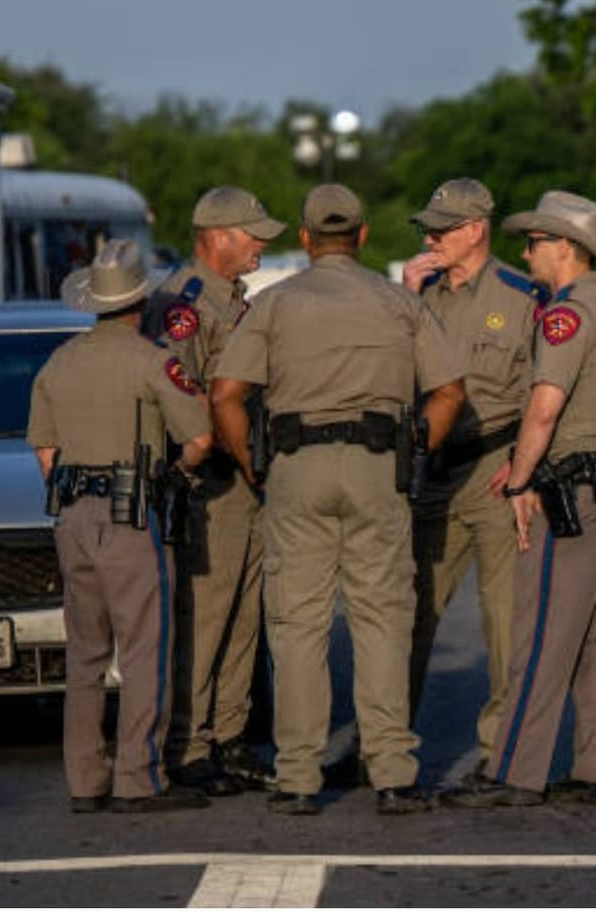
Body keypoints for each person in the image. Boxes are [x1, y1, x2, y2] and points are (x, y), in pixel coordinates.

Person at [210, 183, 465, 816]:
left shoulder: (275, 304)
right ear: (362, 235)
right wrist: (415, 449)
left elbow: (225, 395)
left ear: (304, 239)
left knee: (297, 626)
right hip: (380, 466)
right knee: (382, 620)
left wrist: (255, 467)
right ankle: (393, 775)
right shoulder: (397, 304)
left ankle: (298, 776)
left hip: (296, 468)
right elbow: (451, 391)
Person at [442, 190, 596, 808]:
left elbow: (544, 407)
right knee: (594, 635)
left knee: (540, 636)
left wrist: (522, 478)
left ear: (565, 248)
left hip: (575, 488)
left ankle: (512, 772)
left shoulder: (568, 313)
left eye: (534, 242)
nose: (525, 252)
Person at [27, 239, 214, 813]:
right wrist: (172, 475)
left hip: (73, 516)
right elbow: (200, 441)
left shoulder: (59, 362)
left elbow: (47, 454)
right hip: (131, 514)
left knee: (84, 654)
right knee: (142, 650)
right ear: (140, 303)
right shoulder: (154, 361)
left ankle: (85, 781)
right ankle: (139, 777)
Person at [400, 178, 547, 774]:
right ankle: (384, 746)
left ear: (476, 230)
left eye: (442, 228)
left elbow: (549, 389)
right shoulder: (420, 294)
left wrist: (527, 469)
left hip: (496, 468)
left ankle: (500, 755)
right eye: (428, 228)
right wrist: (405, 298)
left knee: (505, 621)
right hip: (432, 471)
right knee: (404, 614)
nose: (431, 238)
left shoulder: (523, 296)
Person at [143, 185, 286, 796]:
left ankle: (230, 737)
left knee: (243, 614)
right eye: (252, 234)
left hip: (247, 478)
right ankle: (190, 741)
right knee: (203, 615)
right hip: (211, 482)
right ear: (218, 236)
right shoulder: (185, 303)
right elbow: (184, 399)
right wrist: (239, 454)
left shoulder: (231, 300)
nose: (260, 245)